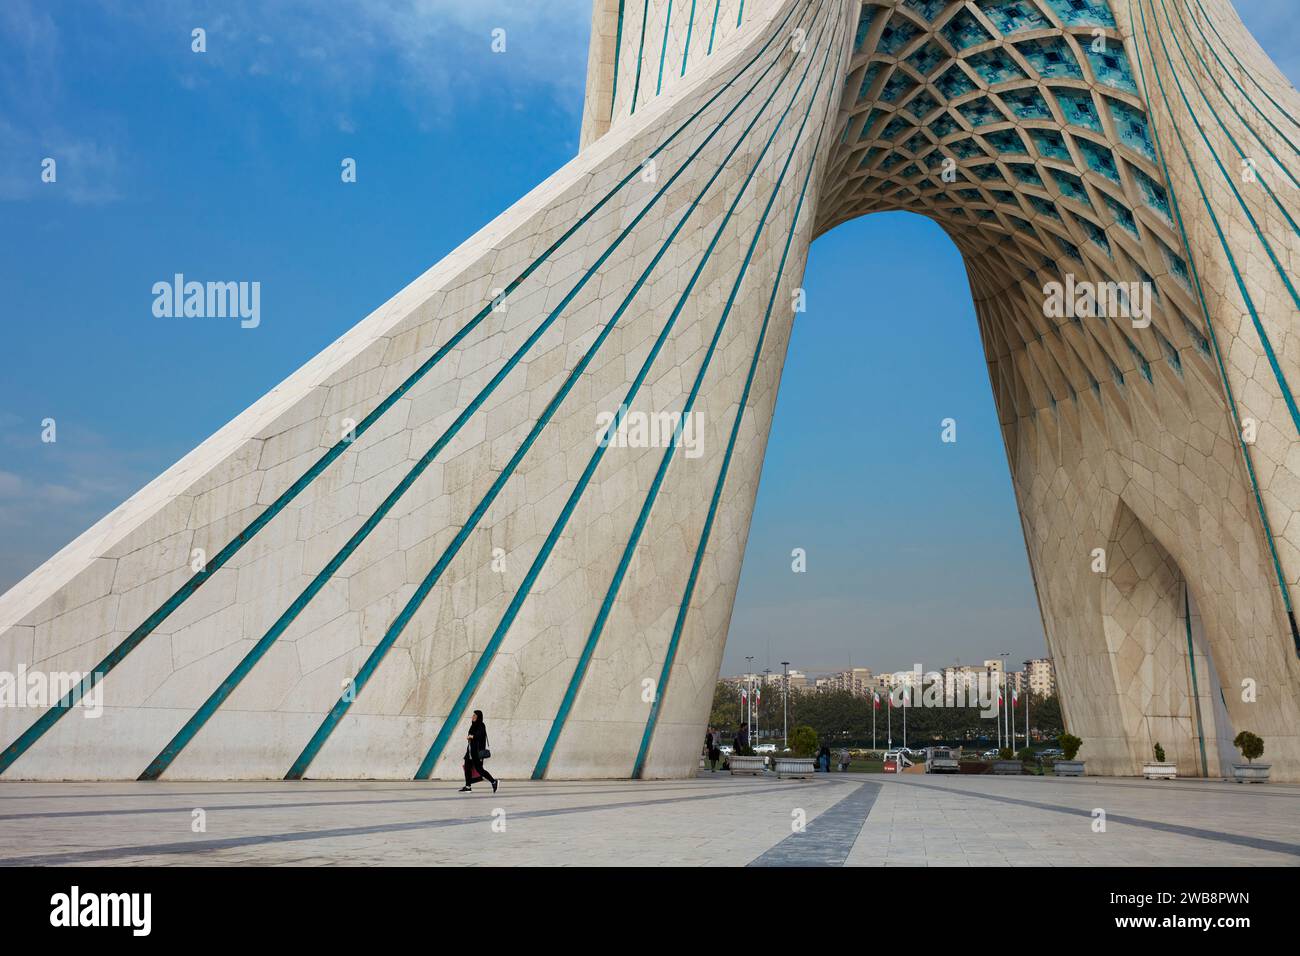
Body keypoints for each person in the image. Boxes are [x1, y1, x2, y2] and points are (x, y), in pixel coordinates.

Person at [460, 709, 498, 793]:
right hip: (470, 751)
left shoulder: (481, 725)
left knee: (480, 770)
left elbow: (479, 736)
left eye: (474, 716)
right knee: (467, 768)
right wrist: (469, 737)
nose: (472, 717)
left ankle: (494, 781)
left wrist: (471, 736)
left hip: (477, 752)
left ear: (478, 717)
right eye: (473, 715)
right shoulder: (473, 725)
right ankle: (468, 786)